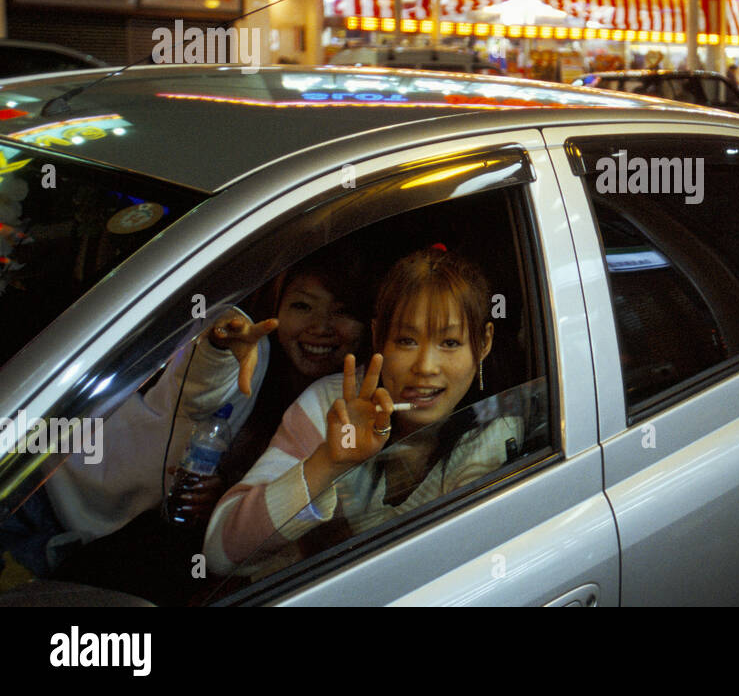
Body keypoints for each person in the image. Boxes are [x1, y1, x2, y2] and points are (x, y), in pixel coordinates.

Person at [32, 249, 373, 573]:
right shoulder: (253, 360)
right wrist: (219, 345)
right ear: (276, 311)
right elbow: (200, 391)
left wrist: (222, 494)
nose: (321, 326)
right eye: (302, 306)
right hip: (51, 489)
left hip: (109, 536)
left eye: (342, 311)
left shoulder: (363, 406)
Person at [204, 245, 521, 576]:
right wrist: (326, 463)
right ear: (378, 336)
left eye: (450, 343)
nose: (426, 367)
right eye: (406, 341)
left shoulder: (497, 426)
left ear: (483, 343)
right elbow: (220, 552)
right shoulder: (333, 404)